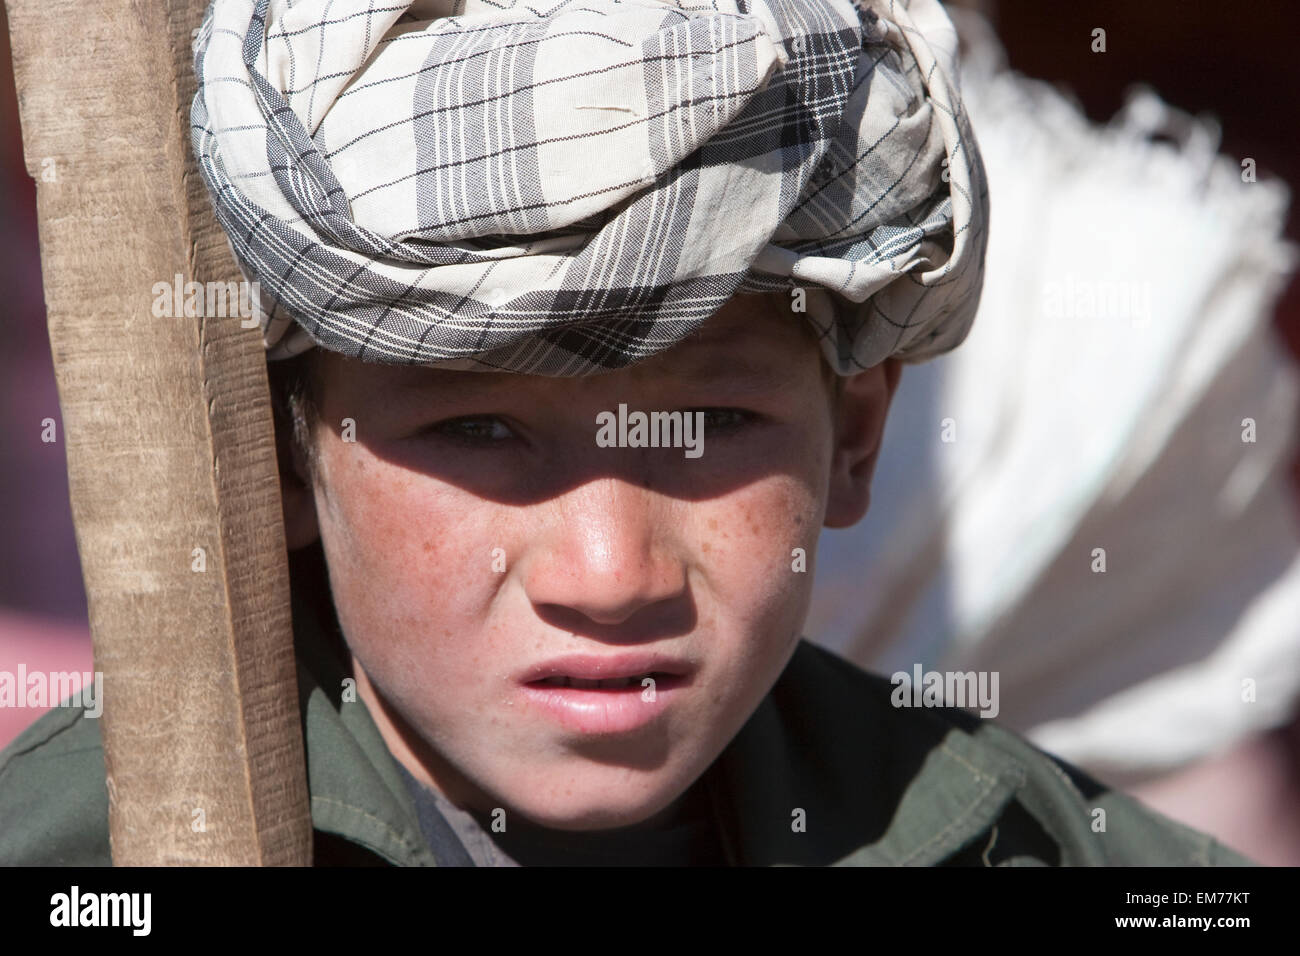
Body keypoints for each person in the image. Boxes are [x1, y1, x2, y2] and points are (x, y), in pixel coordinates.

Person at [0, 0, 1256, 865]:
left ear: (854, 440)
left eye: (712, 420)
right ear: (283, 460)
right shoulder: (79, 846)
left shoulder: (1007, 833)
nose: (611, 575)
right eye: (479, 425)